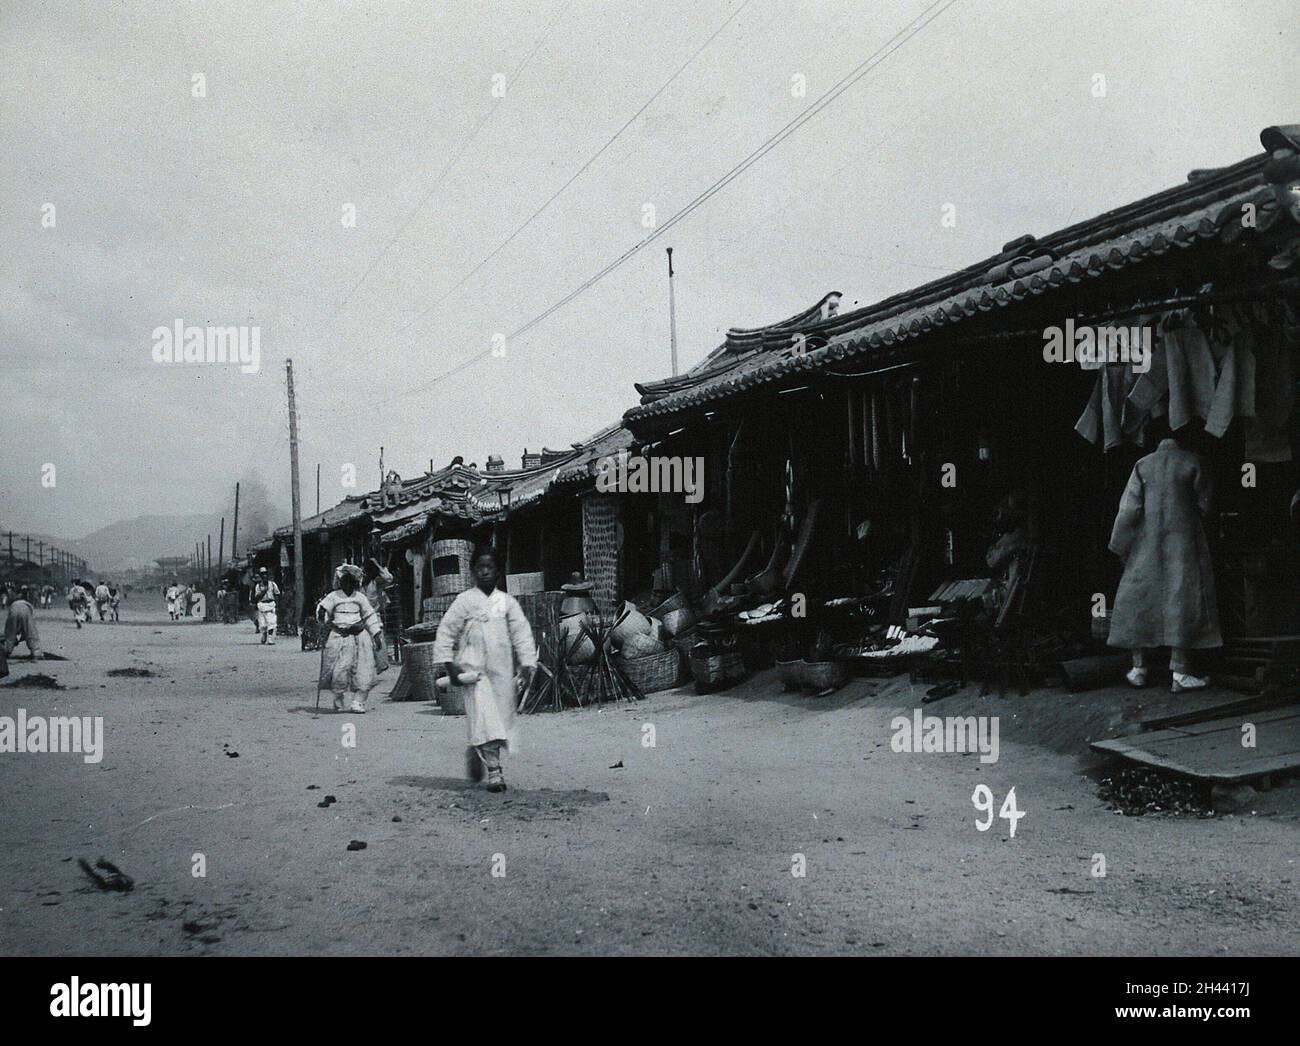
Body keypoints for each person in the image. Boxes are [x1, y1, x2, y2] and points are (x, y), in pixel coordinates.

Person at [1108, 432, 1221, 692]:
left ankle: (1138, 667)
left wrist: (1120, 545)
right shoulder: (1193, 461)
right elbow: (1206, 505)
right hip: (1184, 540)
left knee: (1139, 599)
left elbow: (1128, 510)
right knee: (1183, 599)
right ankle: (1180, 671)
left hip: (1146, 542)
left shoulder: (1143, 465)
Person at [432, 546, 537, 793]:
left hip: (501, 669)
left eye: (490, 567)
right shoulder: (465, 601)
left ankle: (477, 749)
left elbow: (521, 632)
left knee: (500, 721)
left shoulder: (506, 602)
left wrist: (527, 663)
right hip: (474, 671)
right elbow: (447, 630)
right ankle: (494, 772)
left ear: (499, 572)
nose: (485, 572)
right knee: (484, 716)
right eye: (480, 567)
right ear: (473, 572)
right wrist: (450, 664)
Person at [316, 564, 387, 713]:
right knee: (339, 671)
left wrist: (376, 634)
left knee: (364, 670)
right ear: (340, 582)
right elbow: (324, 610)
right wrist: (322, 613)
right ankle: (338, 698)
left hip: (360, 637)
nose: (347, 584)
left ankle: (358, 702)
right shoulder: (333, 596)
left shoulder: (360, 597)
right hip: (340, 637)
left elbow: (369, 615)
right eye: (344, 581)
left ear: (355, 582)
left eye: (350, 581)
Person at [3, 587, 43, 661]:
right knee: (31, 632)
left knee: (10, 633)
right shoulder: (27, 602)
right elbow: (27, 629)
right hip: (25, 610)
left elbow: (13, 628)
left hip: (13, 609)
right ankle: (36, 652)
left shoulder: (13, 600)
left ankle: (6, 650)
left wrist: (15, 638)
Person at [253, 567, 280, 645]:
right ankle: (264, 635)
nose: (264, 576)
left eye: (265, 574)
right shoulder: (258, 586)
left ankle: (270, 638)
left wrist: (277, 605)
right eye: (262, 574)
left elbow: (277, 594)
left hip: (270, 604)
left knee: (272, 622)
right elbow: (256, 597)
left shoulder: (272, 584)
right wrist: (263, 591)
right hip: (262, 605)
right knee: (263, 624)